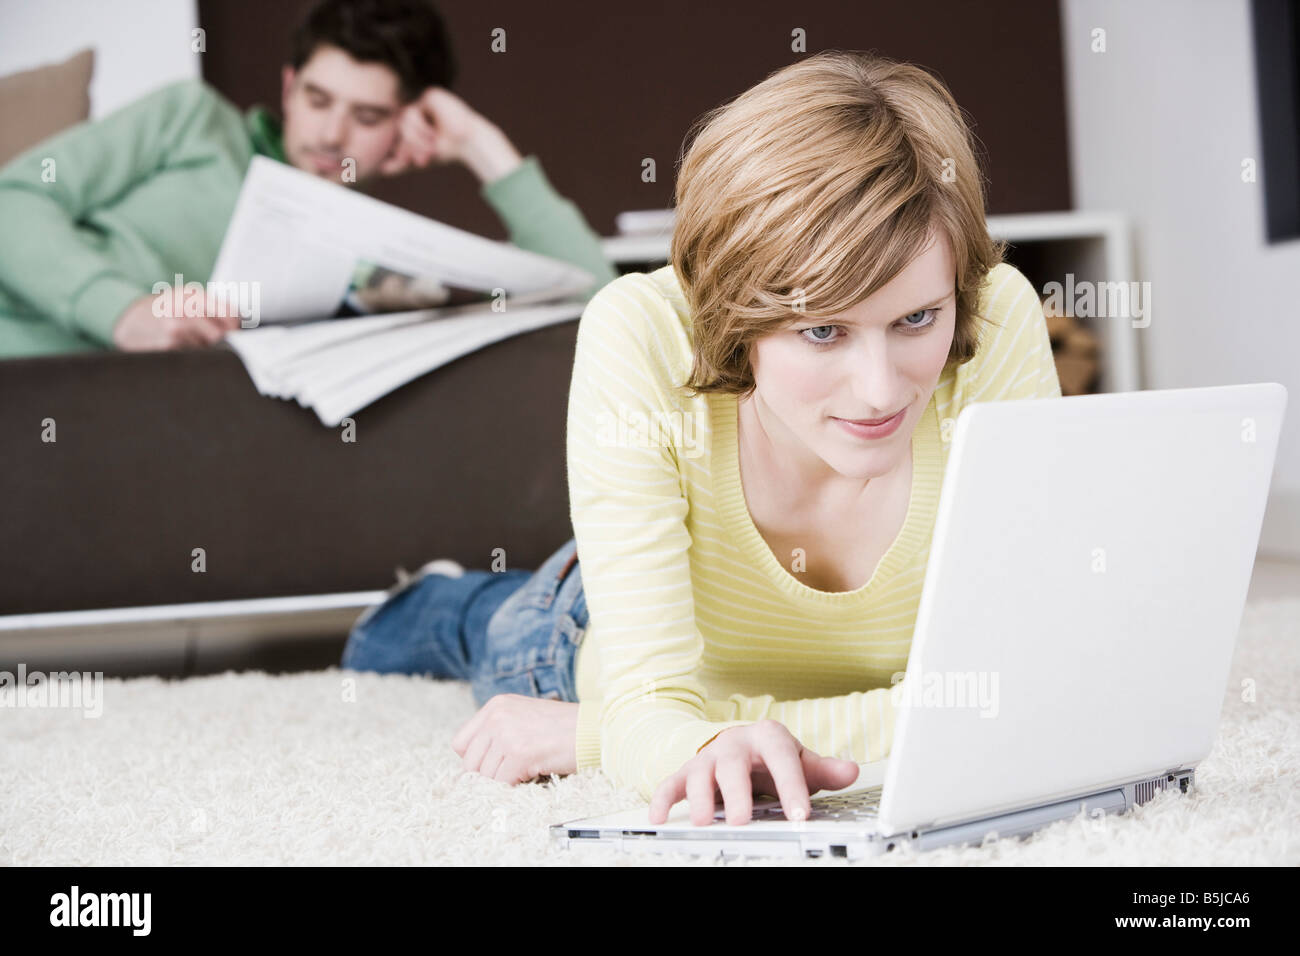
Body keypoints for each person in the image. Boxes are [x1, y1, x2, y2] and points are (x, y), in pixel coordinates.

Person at [341, 50, 1062, 826]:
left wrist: (601, 739)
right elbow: (655, 706)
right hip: (577, 626)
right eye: (822, 330)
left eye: (916, 318)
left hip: (650, 693)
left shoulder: (997, 317)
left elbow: (1025, 684)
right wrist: (644, 724)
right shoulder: (639, 332)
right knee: (476, 620)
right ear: (733, 307)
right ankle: (439, 596)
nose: (883, 391)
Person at [0, 0, 615, 358]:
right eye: (318, 100)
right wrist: (122, 311)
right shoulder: (191, 119)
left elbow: (607, 315)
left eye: (366, 116)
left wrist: (482, 147)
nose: (329, 136)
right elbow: (12, 201)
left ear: (406, 125)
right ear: (290, 87)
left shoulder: (368, 260)